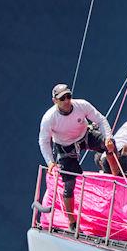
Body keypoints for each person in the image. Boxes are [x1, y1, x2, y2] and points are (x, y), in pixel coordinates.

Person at [38, 84, 113, 229]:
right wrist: (50, 162)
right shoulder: (49, 118)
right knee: (69, 183)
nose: (66, 101)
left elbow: (101, 120)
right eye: (62, 98)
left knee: (110, 145)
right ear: (55, 101)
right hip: (65, 147)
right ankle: (72, 221)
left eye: (68, 96)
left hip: (84, 135)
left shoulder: (81, 105)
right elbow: (44, 141)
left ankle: (116, 176)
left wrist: (108, 138)